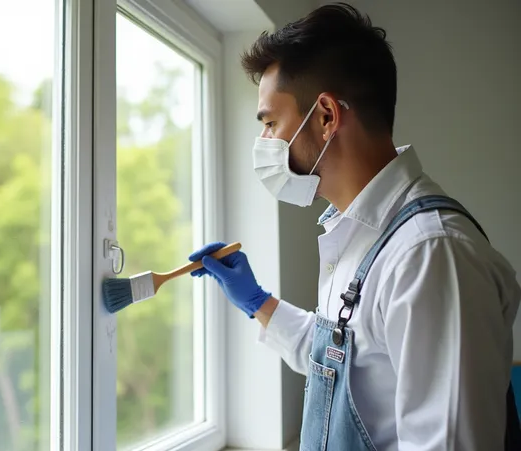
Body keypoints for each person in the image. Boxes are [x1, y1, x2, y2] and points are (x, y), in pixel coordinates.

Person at [189, 3, 521, 450]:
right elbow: (343, 361)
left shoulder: (429, 255)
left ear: (326, 116)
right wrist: (257, 301)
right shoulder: (359, 234)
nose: (264, 142)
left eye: (270, 123)